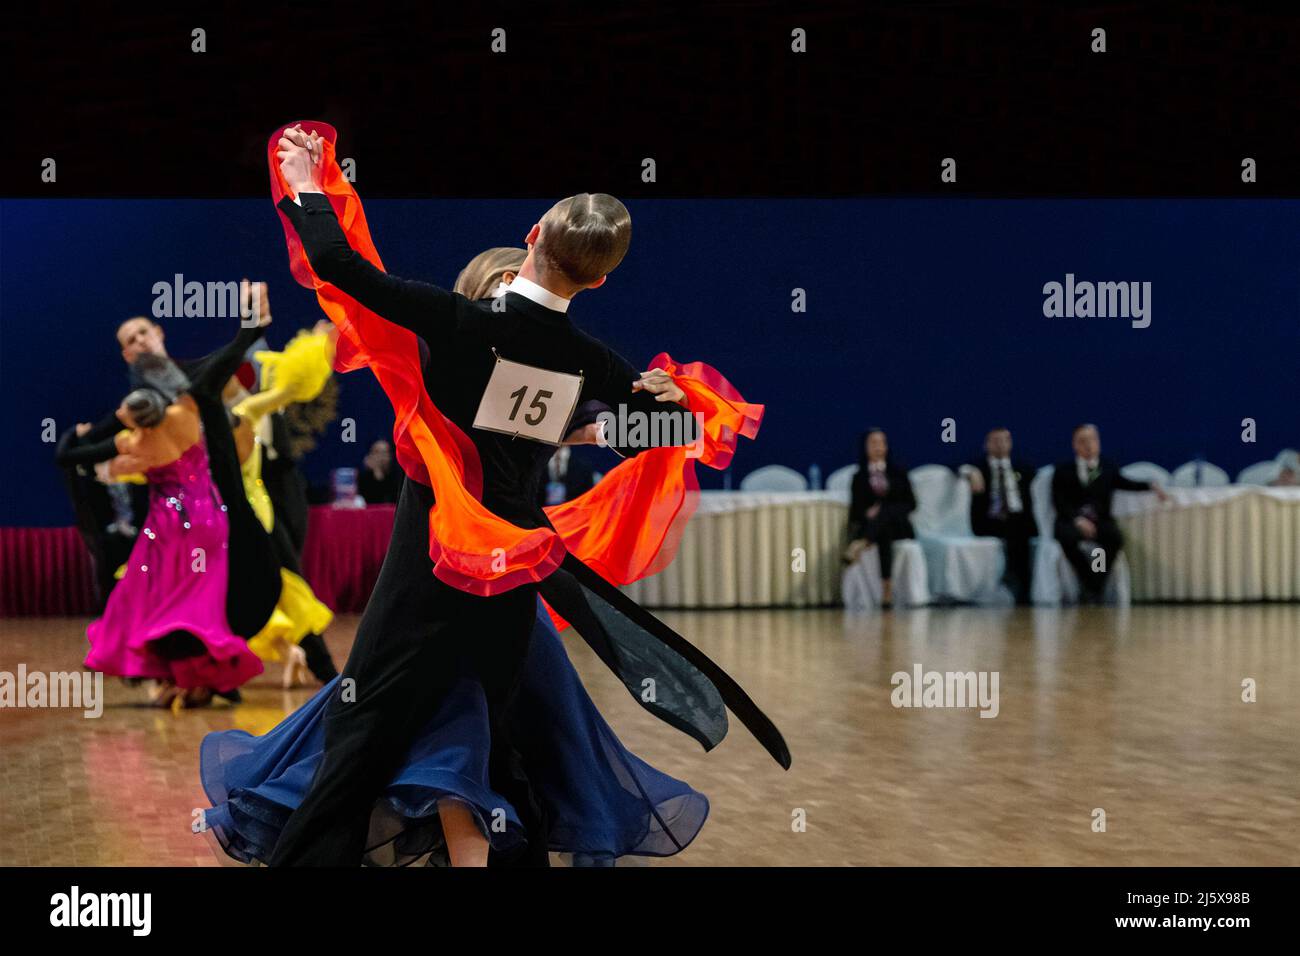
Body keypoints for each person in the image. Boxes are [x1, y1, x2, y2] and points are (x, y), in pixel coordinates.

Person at [259, 122, 786, 867]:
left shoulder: (461, 320)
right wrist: (678, 400)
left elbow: (337, 264)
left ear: (531, 235)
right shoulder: (590, 359)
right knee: (501, 725)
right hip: (518, 556)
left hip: (434, 547)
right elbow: (660, 430)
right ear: (599, 280)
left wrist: (308, 189)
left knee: (366, 715)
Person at [64, 357, 265, 709]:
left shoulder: (134, 444)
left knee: (147, 598)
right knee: (201, 608)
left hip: (170, 525)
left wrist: (76, 435)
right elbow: (196, 384)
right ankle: (203, 677)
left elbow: (69, 457)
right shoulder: (187, 414)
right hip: (213, 521)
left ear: (129, 416)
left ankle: (178, 673)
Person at [1050, 423, 1168, 602]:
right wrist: (1078, 519)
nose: (1089, 445)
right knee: (1068, 539)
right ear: (1075, 445)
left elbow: (1126, 483)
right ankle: (1089, 581)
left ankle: (1095, 584)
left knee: (1112, 540)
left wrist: (1150, 485)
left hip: (1099, 521)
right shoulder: (1063, 470)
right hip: (1072, 521)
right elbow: (1059, 502)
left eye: (1092, 440)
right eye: (1083, 441)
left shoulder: (1106, 467)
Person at [960, 427, 1037, 604]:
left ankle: (1022, 589)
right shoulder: (978, 466)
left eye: (1004, 440)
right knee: (1014, 531)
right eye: (995, 441)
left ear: (1010, 443)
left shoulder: (1023, 468)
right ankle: (1009, 584)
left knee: (1020, 529)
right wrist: (969, 472)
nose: (1000, 445)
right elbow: (953, 467)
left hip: (1019, 520)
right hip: (989, 520)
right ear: (987, 444)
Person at [845, 429, 917, 607]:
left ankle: (861, 543)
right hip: (877, 528)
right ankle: (886, 589)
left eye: (881, 443)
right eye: (873, 443)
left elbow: (911, 504)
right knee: (884, 529)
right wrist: (867, 513)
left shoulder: (899, 472)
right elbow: (855, 512)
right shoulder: (858, 477)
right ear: (865, 447)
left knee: (886, 512)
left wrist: (885, 509)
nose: (878, 447)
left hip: (901, 526)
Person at [357, 439, 402, 504]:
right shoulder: (363, 478)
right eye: (377, 452)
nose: (381, 457)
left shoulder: (397, 476)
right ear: (370, 455)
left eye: (385, 453)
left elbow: (388, 500)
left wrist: (379, 474)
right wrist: (376, 471)